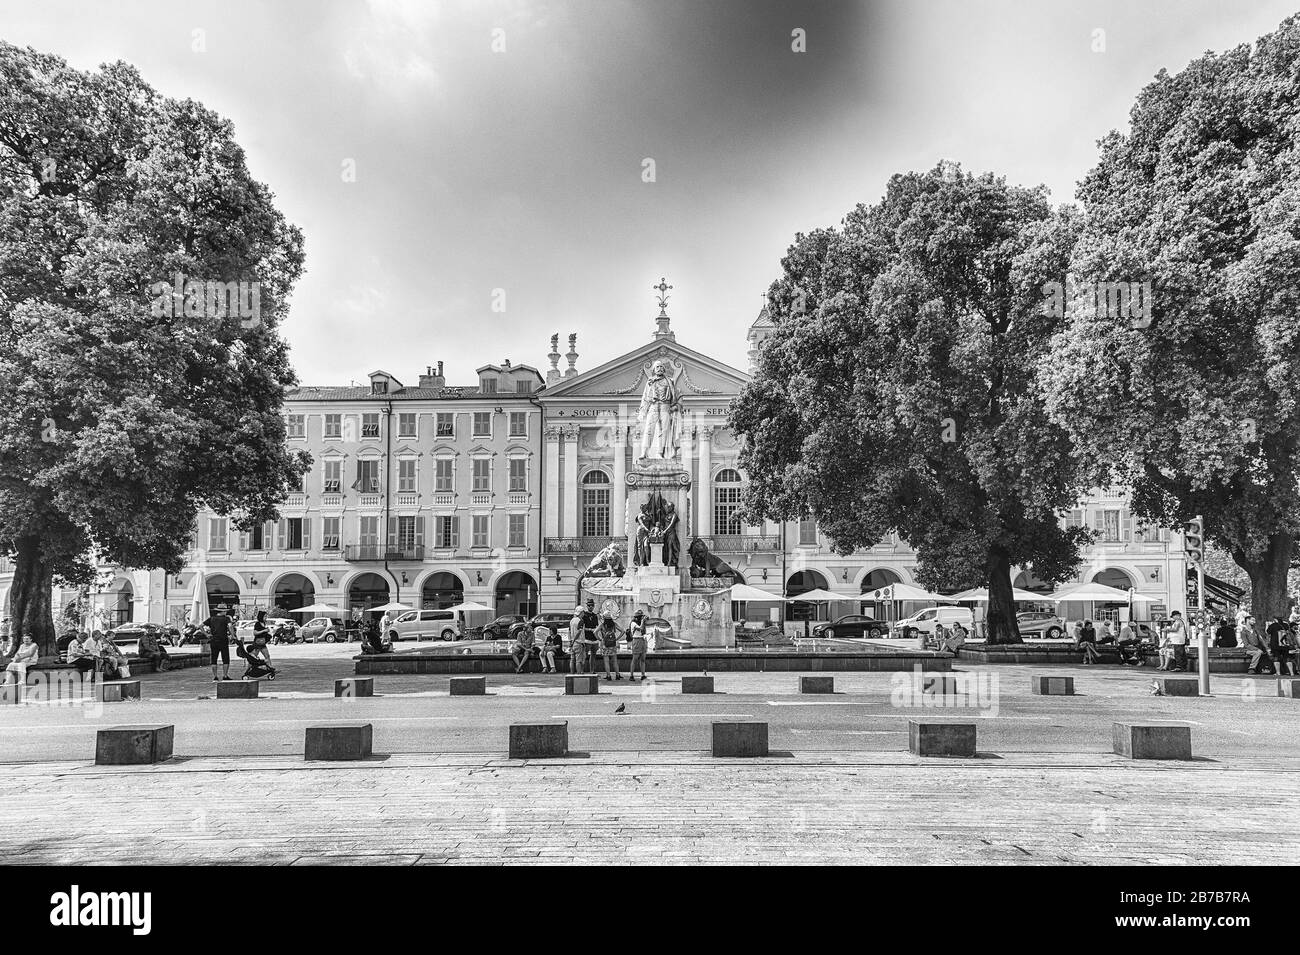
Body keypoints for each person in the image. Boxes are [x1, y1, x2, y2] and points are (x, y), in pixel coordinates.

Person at [203, 608, 233, 682]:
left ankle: (215, 677)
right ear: (222, 612)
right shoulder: (226, 619)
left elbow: (200, 626)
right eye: (225, 611)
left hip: (213, 640)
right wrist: (232, 635)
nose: (226, 612)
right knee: (225, 658)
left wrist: (206, 634)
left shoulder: (211, 619)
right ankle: (225, 676)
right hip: (223, 640)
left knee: (214, 658)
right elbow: (230, 626)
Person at [580, 600, 601, 673]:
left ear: (594, 606)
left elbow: (597, 626)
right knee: (584, 655)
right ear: (587, 606)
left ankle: (592, 670)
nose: (591, 607)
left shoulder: (595, 616)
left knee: (593, 656)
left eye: (592, 605)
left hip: (594, 638)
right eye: (589, 605)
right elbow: (581, 628)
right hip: (587, 638)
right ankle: (581, 670)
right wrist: (590, 629)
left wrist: (597, 631)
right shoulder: (584, 615)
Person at [626, 610, 648, 681]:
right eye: (640, 617)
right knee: (635, 659)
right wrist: (643, 621)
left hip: (642, 640)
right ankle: (631, 675)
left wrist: (645, 620)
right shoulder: (633, 623)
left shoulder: (641, 622)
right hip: (636, 640)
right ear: (637, 617)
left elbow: (643, 630)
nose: (642, 618)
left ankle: (643, 675)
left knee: (643, 659)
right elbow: (640, 628)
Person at [599, 615, 623, 680]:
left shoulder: (602, 625)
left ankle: (609, 676)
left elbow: (595, 632)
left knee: (606, 661)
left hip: (605, 645)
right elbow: (622, 631)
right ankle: (617, 675)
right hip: (613, 644)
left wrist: (600, 639)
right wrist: (617, 638)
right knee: (615, 661)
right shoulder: (614, 624)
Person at [568, 605, 587, 674]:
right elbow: (579, 631)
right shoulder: (580, 621)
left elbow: (569, 631)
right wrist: (574, 640)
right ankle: (578, 674)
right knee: (579, 660)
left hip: (573, 643)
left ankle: (571, 673)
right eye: (583, 612)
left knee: (572, 659)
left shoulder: (572, 620)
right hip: (578, 642)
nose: (584, 614)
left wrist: (570, 641)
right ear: (581, 613)